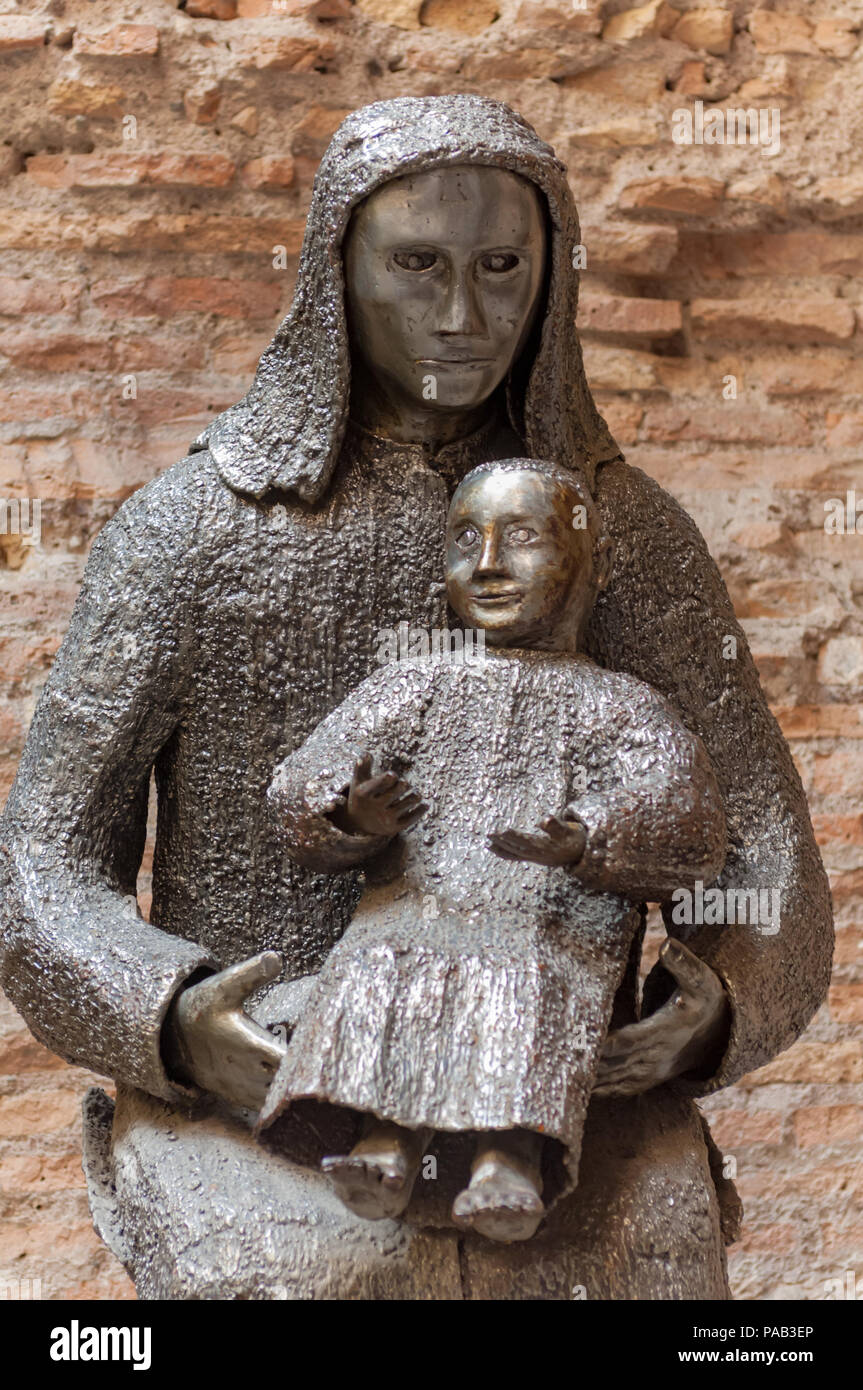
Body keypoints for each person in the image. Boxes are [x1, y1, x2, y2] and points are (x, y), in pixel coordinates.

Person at [0, 96, 832, 1299]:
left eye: (501, 266)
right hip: (273, 1084)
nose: (460, 316)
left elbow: (757, 837)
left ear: (553, 273)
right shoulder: (187, 535)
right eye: (415, 265)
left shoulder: (621, 535)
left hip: (555, 1080)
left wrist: (709, 1010)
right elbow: (42, 860)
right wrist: (176, 1022)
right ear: (335, 269)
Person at [262, 459, 727, 1245]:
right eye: (463, 540)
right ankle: (382, 1142)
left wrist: (590, 838)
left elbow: (689, 823)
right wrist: (352, 811)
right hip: (411, 912)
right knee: (376, 961)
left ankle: (509, 1162)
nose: (486, 564)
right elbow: (299, 784)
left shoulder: (617, 704)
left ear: (592, 562)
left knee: (528, 978)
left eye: (521, 538)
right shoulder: (411, 686)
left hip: (554, 928)